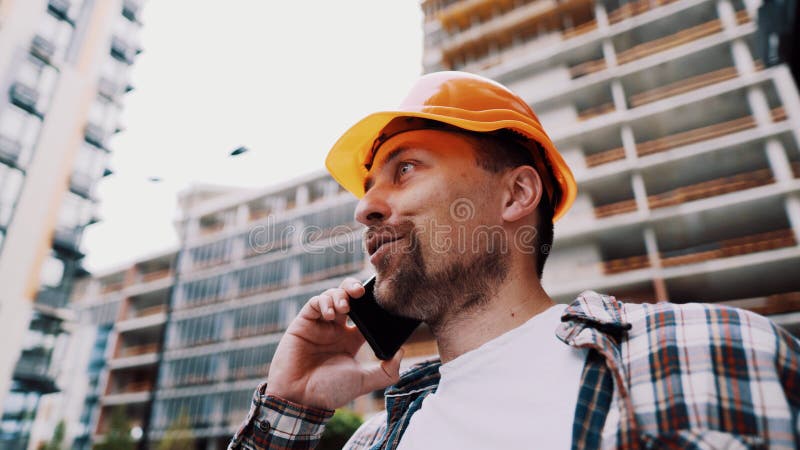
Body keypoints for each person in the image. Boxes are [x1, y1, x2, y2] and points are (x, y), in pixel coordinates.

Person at [228, 71, 800, 450]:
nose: (365, 209)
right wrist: (290, 408)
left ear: (515, 196)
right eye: (370, 185)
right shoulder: (374, 440)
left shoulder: (708, 352)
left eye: (405, 169)